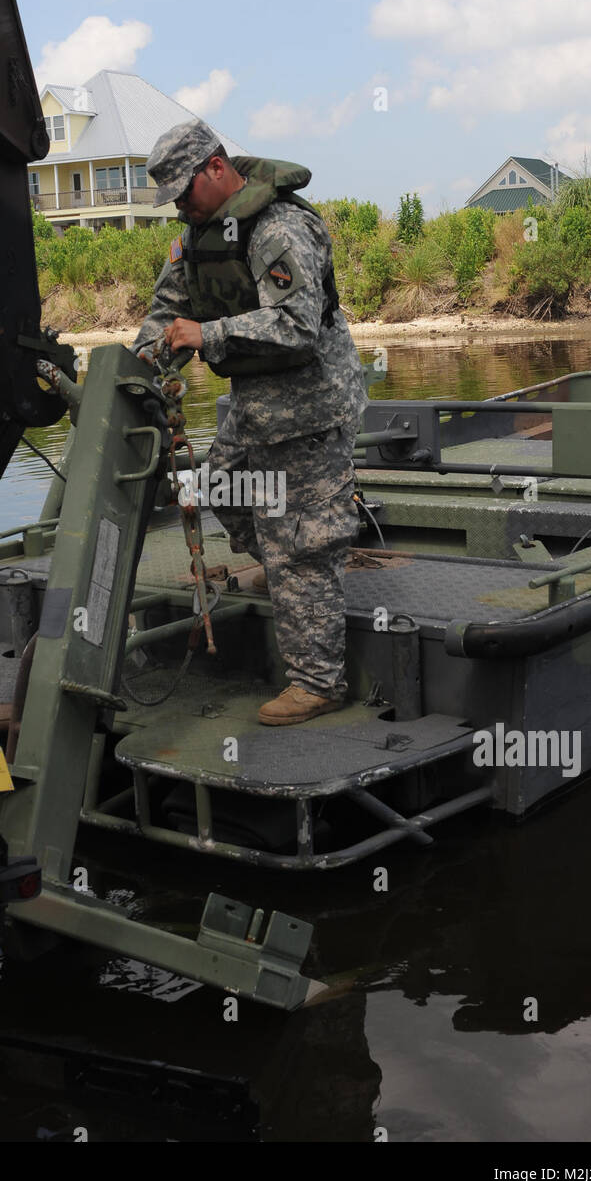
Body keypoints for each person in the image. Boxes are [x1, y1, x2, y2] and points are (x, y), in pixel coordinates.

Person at [131, 119, 366, 726]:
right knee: (220, 486)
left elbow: (296, 325)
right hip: (257, 405)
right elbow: (167, 313)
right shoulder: (197, 237)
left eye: (185, 191)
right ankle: (277, 567)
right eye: (173, 200)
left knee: (302, 541)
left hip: (311, 406)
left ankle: (318, 682)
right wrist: (142, 364)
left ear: (216, 167)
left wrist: (207, 335)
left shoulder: (279, 226)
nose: (180, 206)